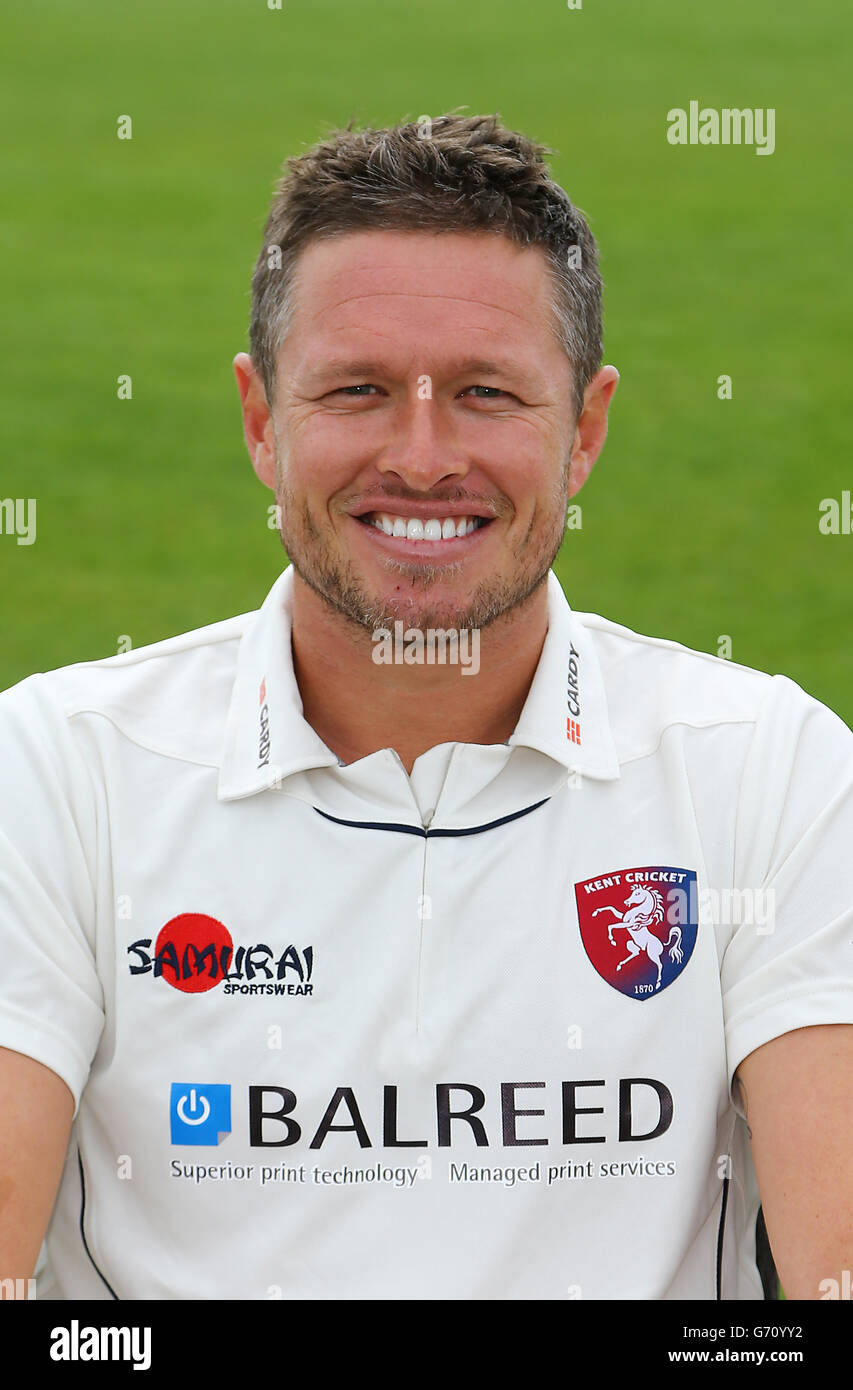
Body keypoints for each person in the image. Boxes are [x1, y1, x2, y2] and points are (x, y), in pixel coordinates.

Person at [1, 113, 851, 1302]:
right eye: (355, 389)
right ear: (259, 420)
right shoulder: (52, 770)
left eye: (486, 393)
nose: (420, 456)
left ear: (586, 429)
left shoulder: (771, 768)